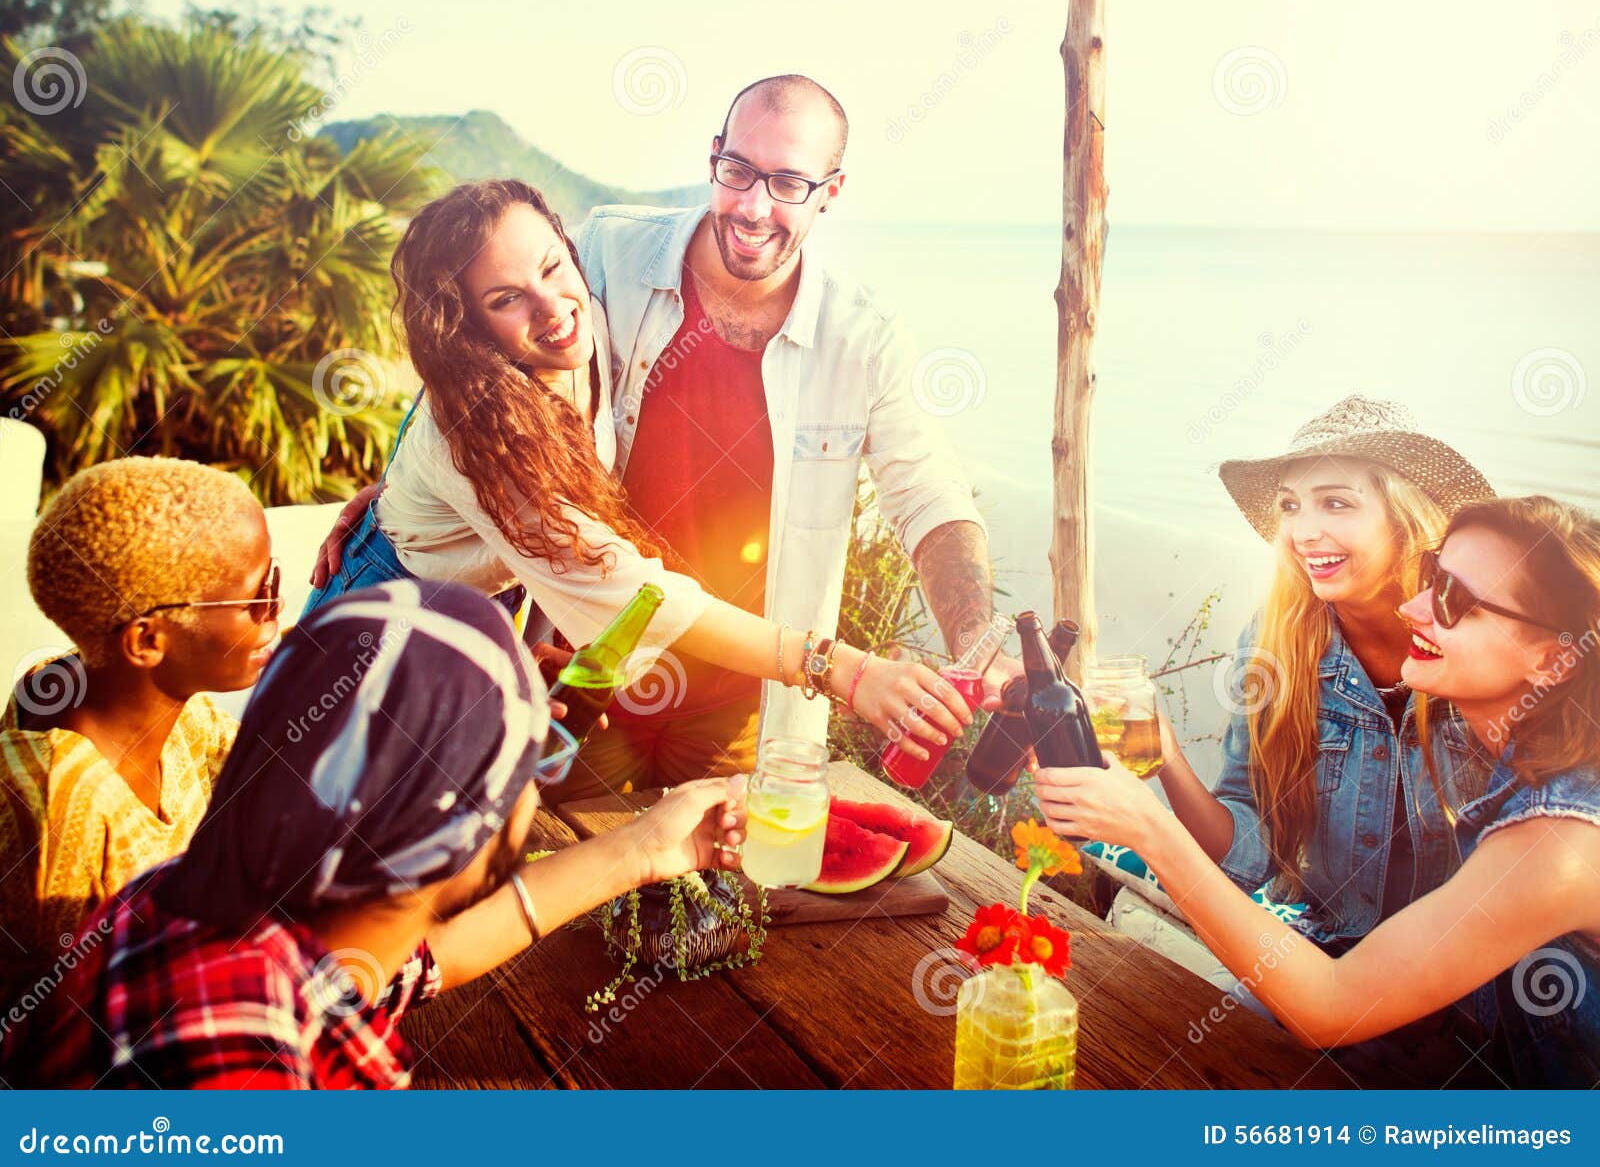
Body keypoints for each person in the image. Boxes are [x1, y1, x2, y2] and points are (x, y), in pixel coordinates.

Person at [315, 75, 1017, 800]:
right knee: (527, 871)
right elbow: (471, 351)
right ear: (713, 157)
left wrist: (973, 634)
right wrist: (411, 492)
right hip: (580, 665)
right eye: (738, 171)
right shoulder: (608, 252)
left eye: (787, 182)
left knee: (718, 901)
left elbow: (927, 488)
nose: (752, 205)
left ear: (831, 191)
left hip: (741, 692)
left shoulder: (860, 335)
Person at [0, 581, 748, 1089]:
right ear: (459, 839)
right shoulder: (237, 1066)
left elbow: (423, 961)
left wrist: (649, 848)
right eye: (528, 756)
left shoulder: (223, 909)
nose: (544, 768)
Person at [1037, 496, 1600, 1088]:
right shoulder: (1522, 743)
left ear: (1556, 660)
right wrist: (1165, 755)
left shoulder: (1560, 843)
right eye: (1431, 574)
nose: (1412, 606)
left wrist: (1148, 829)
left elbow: (1332, 1007)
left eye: (1455, 600)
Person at [1149, 396, 1493, 951]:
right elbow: (1249, 856)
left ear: (1403, 520)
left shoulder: (1480, 634)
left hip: (1480, 980)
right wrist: (1164, 750)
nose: (1303, 533)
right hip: (1331, 953)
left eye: (1335, 503)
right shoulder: (1275, 641)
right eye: (1290, 505)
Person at [0, 457, 280, 1009]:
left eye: (276, 580)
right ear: (147, 641)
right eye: (256, 598)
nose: (275, 610)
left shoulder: (165, 711)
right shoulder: (60, 810)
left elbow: (269, 772)